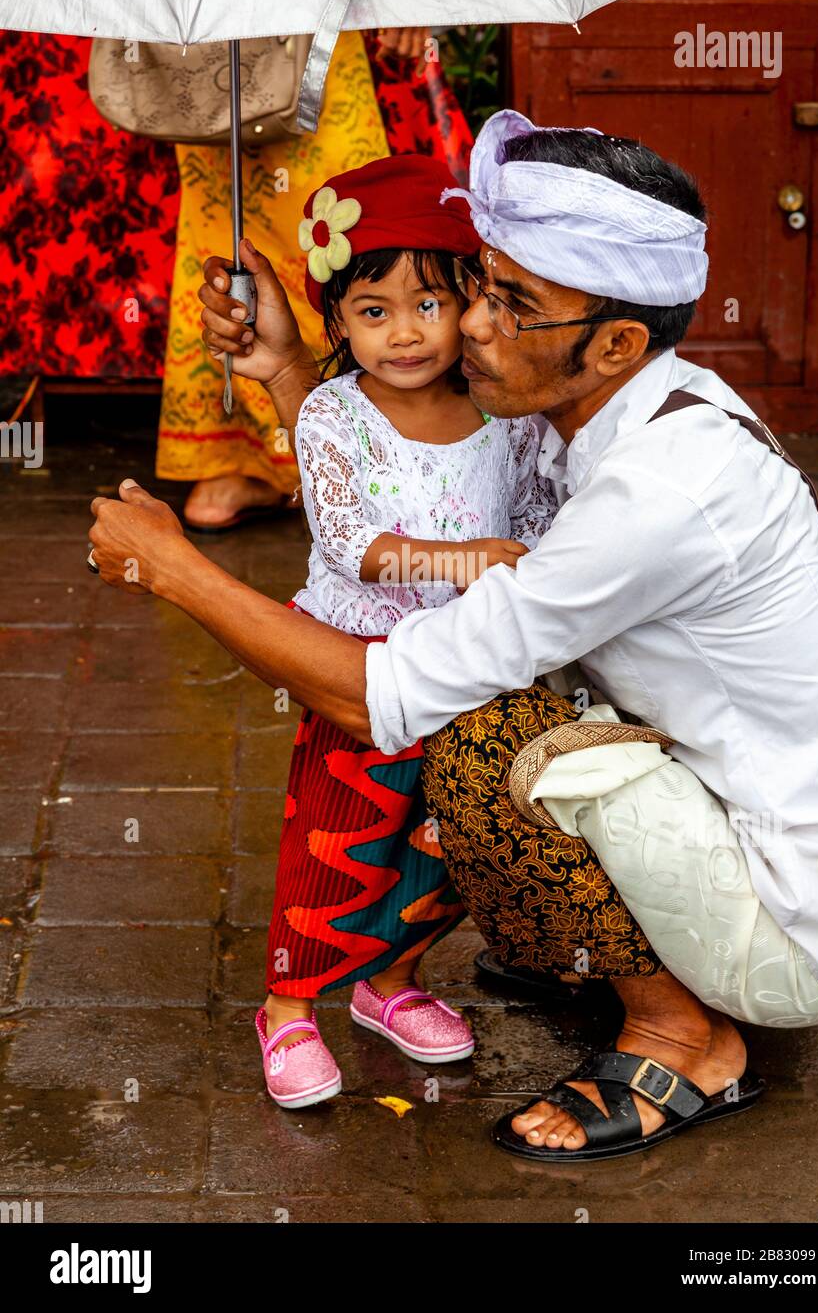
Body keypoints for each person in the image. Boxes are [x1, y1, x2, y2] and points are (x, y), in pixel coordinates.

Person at [89, 109, 818, 1163]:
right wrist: (286, 367)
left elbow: (376, 694)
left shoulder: (654, 493)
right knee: (507, 713)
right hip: (755, 827)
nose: (470, 326)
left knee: (483, 734)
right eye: (483, 286)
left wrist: (175, 567)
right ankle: (598, 951)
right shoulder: (628, 402)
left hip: (792, 934)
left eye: (507, 303)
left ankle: (684, 1035)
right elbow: (392, 455)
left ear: (616, 340)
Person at [255, 151, 556, 1108]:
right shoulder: (334, 415)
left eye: (427, 303)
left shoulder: (499, 413)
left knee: (443, 833)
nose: (404, 334)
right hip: (363, 665)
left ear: (471, 295)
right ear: (335, 323)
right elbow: (351, 545)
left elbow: (538, 515)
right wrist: (471, 557)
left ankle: (389, 983)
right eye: (372, 313)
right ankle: (289, 1002)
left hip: (469, 666)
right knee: (341, 836)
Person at [156, 27, 472, 532]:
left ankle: (375, 444)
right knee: (225, 228)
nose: (406, 331)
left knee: (351, 228)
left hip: (323, 11)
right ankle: (249, 456)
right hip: (212, 23)